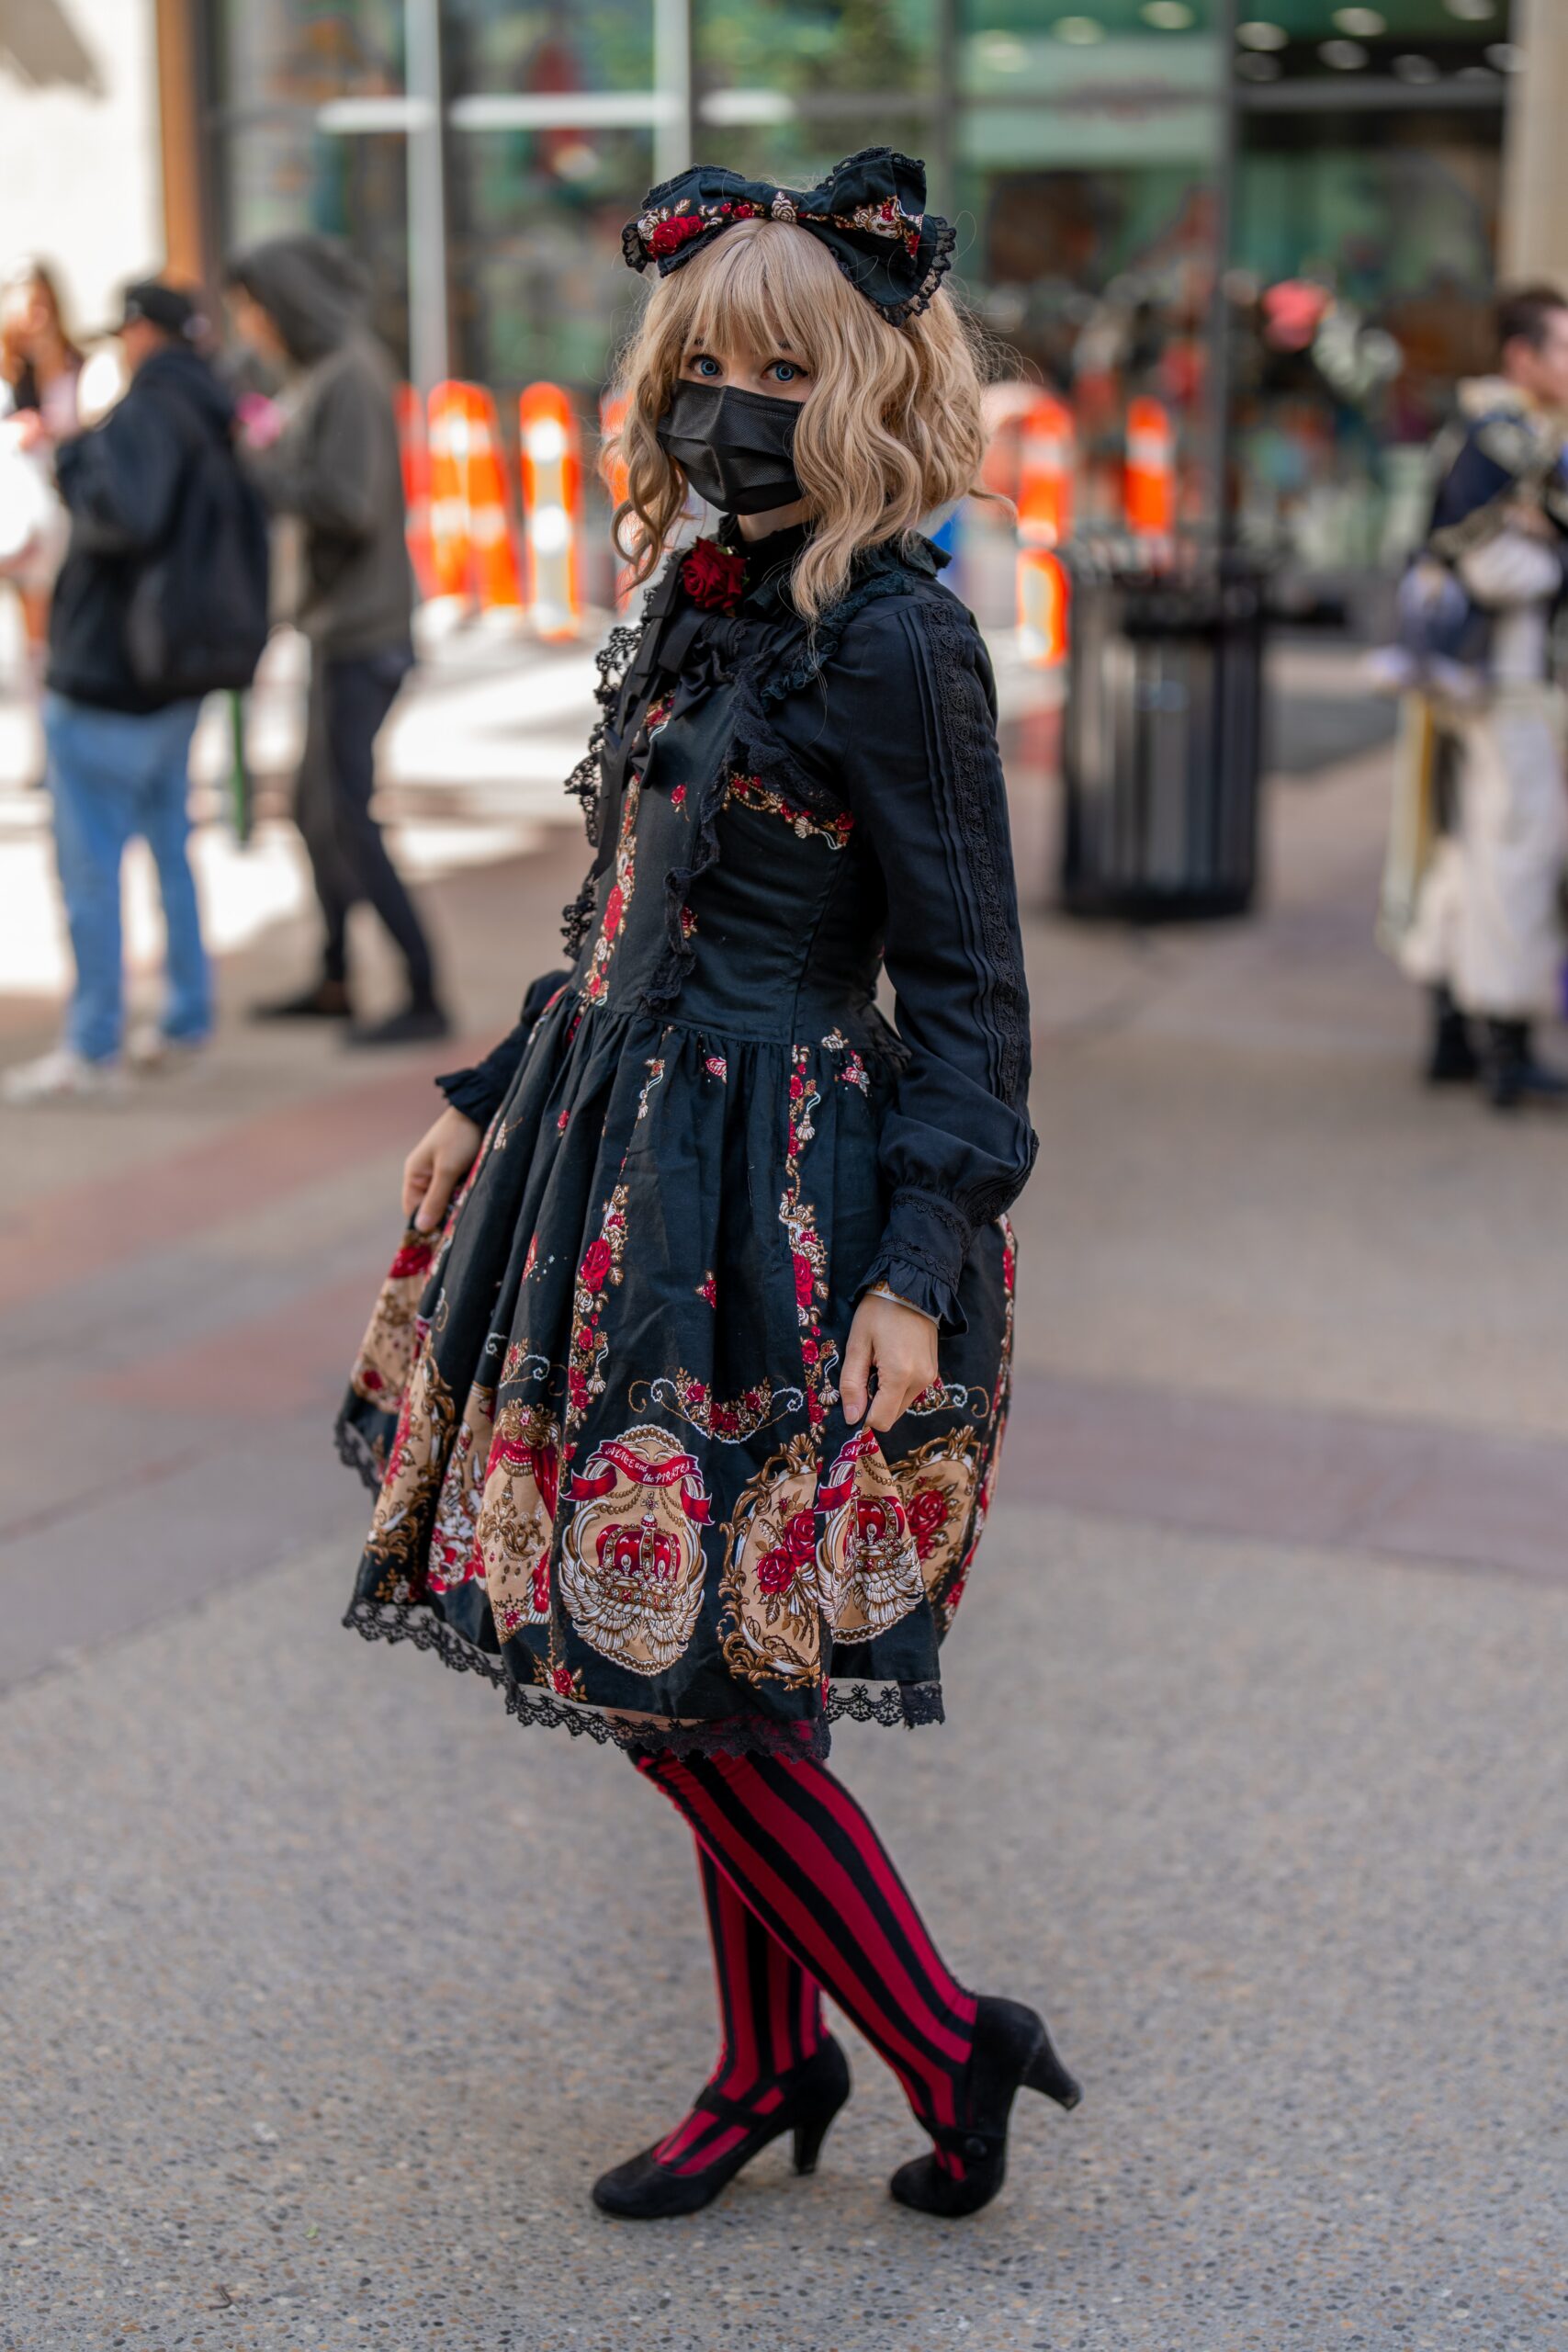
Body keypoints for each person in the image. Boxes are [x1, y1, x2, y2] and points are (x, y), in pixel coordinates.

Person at [334, 150, 1080, 2222]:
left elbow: (971, 997)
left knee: (672, 1659)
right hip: (606, 1154)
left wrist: (917, 1266)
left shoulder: (899, 641)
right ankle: (770, 2061)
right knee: (703, 1662)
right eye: (701, 365)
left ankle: (933, 2036)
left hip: (781, 1193)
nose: (728, 406)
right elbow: (623, 902)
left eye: (782, 370)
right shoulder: (698, 594)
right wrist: (493, 1086)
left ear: (866, 388)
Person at [3, 280, 248, 1105]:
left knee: (91, 871)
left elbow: (125, 516)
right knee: (170, 850)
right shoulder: (213, 409)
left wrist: (71, 458)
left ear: (143, 334)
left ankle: (94, 1041)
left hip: (113, 674)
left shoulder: (149, 412)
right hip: (175, 671)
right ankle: (184, 1016)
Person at [225, 233, 448, 1046]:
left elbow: (345, 505)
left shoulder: (349, 375)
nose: (248, 325)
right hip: (337, 630)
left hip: (364, 633)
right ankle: (333, 978)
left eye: (252, 309)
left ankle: (423, 991)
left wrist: (255, 465)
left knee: (346, 814)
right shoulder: (319, 372)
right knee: (315, 811)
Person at [1397, 284, 1568, 1111]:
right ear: (1520, 356)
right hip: (1504, 682)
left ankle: (1453, 1030)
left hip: (1486, 679)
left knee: (1467, 848)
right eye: (1562, 348)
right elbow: (1487, 563)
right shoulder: (1503, 439)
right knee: (1515, 849)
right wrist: (1555, 558)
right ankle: (1504, 1039)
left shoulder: (1509, 434)